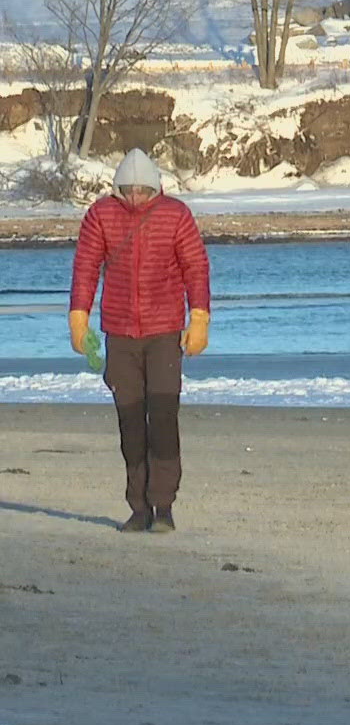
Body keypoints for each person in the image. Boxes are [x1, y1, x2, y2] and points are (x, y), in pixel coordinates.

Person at [68, 149, 212, 532]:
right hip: (120, 335)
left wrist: (199, 316)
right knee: (130, 422)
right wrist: (79, 317)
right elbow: (85, 267)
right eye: (128, 190)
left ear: (156, 188)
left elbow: (196, 267)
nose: (135, 197)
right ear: (117, 189)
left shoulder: (176, 215)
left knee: (163, 418)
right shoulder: (100, 215)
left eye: (142, 191)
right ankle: (138, 508)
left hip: (165, 333)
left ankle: (163, 507)